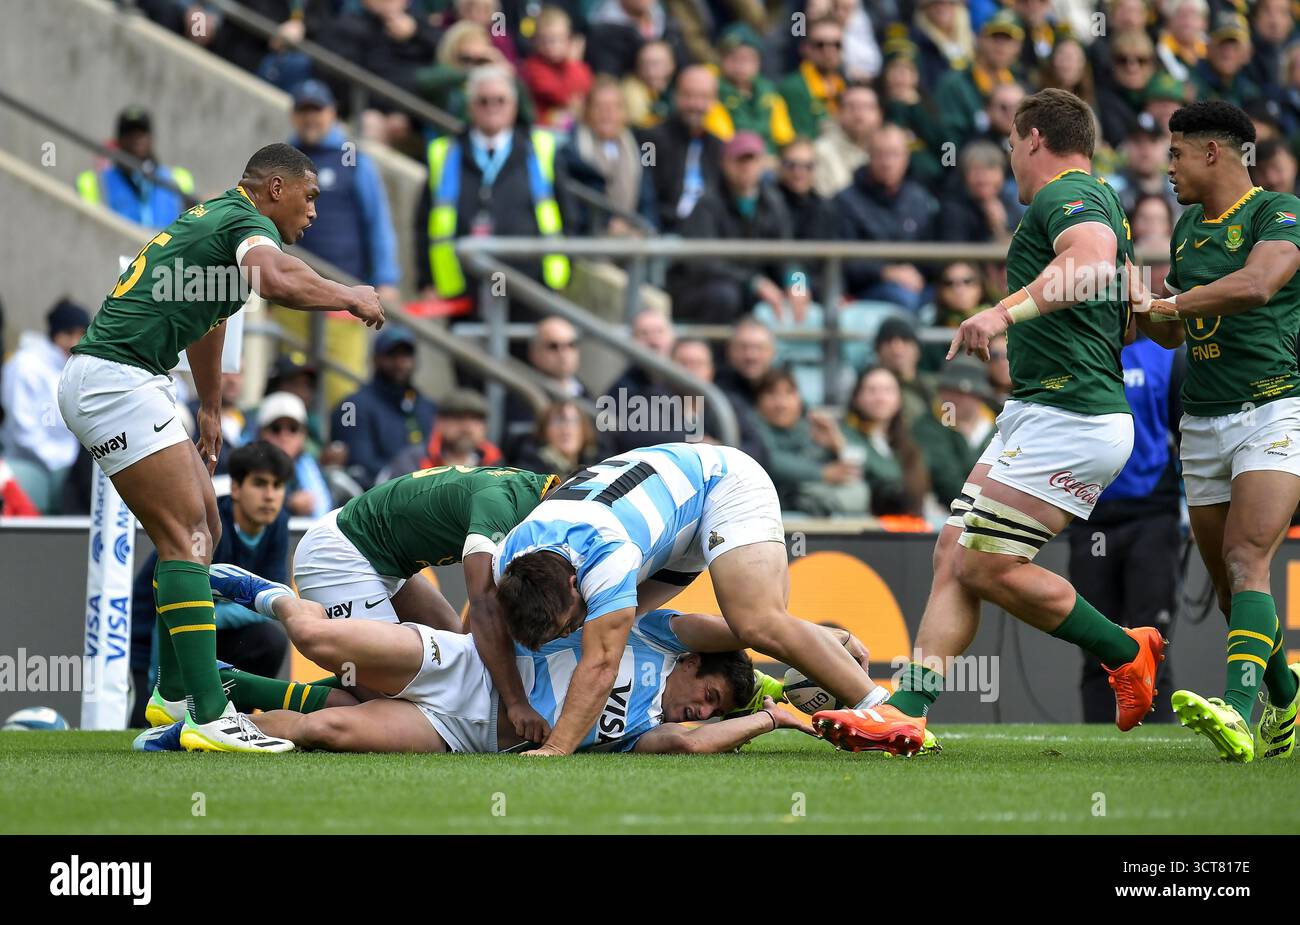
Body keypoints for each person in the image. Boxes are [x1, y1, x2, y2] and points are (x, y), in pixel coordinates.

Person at [815, 89, 1165, 754]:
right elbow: (1124, 289)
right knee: (955, 553)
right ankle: (908, 709)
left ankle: (1126, 651)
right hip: (1042, 409)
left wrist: (1001, 313)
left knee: (981, 564)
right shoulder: (1106, 200)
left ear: (1033, 138)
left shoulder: (1066, 195)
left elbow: (1089, 264)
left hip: (1072, 414)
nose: (1009, 156)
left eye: (1010, 142)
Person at [56, 142, 384, 753]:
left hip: (129, 379)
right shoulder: (244, 222)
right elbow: (281, 282)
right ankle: (207, 713)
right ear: (275, 188)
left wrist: (209, 404)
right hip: (114, 379)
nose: (313, 213)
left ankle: (174, 695)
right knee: (190, 535)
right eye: (309, 197)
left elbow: (209, 317)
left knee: (205, 523)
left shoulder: (218, 224)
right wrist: (348, 294)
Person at [484, 441, 897, 756]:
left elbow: (601, 664)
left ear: (574, 582)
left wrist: (557, 749)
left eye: (570, 617)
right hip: (666, 522)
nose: (574, 624)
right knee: (624, 632)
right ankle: (815, 652)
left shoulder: (607, 558)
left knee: (754, 621)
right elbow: (488, 622)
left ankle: (886, 712)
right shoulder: (510, 560)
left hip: (723, 483)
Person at [197, 570, 807, 755]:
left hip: (470, 733)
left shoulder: (651, 731)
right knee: (320, 645)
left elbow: (693, 747)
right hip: (464, 667)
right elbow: (751, 624)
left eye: (714, 713)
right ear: (695, 662)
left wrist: (774, 718)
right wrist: (819, 640)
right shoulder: (658, 632)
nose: (702, 712)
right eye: (709, 697)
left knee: (327, 730)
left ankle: (193, 732)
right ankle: (268, 595)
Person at [1141, 101, 1300, 761]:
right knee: (1235, 589)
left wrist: (1171, 301)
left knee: (1246, 557)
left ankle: (1237, 710)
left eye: (1176, 153)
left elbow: (1260, 285)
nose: (1166, 165)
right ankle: (1288, 697)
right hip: (1201, 422)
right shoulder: (1185, 229)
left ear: (1213, 153)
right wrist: (1139, 308)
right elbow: (1174, 328)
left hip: (1273, 409)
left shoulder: (1279, 211)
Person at [292, 463, 559, 737]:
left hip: (380, 554)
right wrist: (516, 703)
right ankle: (265, 692)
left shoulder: (535, 496)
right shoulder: (500, 504)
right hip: (338, 553)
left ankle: (321, 691)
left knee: (456, 658)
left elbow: (477, 619)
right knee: (387, 705)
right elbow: (483, 605)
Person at [128, 441, 294, 728]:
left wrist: (211, 617)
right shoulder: (205, 525)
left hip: (210, 631)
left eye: (278, 486)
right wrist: (163, 680)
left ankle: (231, 721)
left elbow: (273, 596)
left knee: (269, 641)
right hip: (152, 644)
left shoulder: (277, 525)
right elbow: (172, 610)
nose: (270, 496)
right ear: (236, 488)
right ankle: (177, 700)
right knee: (149, 729)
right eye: (260, 483)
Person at [1067, 334, 1184, 724]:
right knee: (1093, 642)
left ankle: (1157, 743)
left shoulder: (1168, 352)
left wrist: (1191, 504)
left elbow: (1185, 431)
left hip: (1153, 512)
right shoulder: (1080, 345)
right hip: (1089, 514)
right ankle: (1099, 742)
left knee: (1154, 640)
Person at [285, 80, 402, 407]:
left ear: (333, 114)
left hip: (342, 296)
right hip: (289, 293)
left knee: (342, 391)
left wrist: (387, 279)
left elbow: (377, 221)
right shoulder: (282, 161)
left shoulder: (353, 161)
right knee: (290, 386)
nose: (310, 119)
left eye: (317, 110)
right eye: (303, 111)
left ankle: (338, 453)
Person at [667, 132, 802, 326]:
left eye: (752, 160)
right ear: (725, 163)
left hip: (749, 290)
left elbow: (790, 256)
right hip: (704, 292)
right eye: (739, 160)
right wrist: (754, 282)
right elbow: (703, 263)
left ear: (762, 164)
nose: (746, 167)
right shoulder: (707, 204)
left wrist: (798, 285)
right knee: (725, 295)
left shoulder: (774, 203)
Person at [836, 123, 938, 314]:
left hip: (917, 283)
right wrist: (887, 273)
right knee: (904, 298)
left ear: (906, 158)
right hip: (867, 288)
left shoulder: (919, 198)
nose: (887, 162)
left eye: (894, 154)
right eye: (880, 154)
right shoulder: (846, 201)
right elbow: (846, 261)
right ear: (869, 157)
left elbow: (932, 252)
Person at [0, 300, 88, 512]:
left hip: (69, 463)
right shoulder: (25, 365)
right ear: (56, 334)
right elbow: (23, 432)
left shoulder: (78, 368)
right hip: (32, 463)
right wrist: (64, 461)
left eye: (82, 334)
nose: (76, 341)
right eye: (70, 333)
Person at [330, 326, 437, 489]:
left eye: (406, 355)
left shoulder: (427, 406)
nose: (400, 362)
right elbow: (358, 465)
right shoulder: (351, 406)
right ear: (375, 359)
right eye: (392, 354)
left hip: (431, 493)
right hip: (378, 497)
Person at [754, 368, 868, 516]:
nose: (781, 404)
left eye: (788, 393)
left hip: (822, 504)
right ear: (758, 401)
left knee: (859, 490)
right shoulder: (752, 428)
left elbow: (859, 471)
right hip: (774, 511)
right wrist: (823, 473)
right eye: (771, 394)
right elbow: (769, 460)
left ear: (799, 399)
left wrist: (837, 443)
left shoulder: (812, 428)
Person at [637, 66, 724, 232]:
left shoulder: (718, 147)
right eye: (688, 95)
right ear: (676, 96)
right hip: (663, 231)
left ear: (714, 101)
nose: (696, 104)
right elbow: (645, 191)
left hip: (709, 235)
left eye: (703, 97)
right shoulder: (650, 141)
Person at [76, 107, 194, 228]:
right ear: (118, 140)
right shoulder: (94, 181)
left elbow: (195, 223)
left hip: (167, 247)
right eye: (129, 133)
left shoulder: (178, 178)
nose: (136, 139)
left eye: (141, 132)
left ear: (151, 138)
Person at [839, 366, 930, 518]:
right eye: (872, 390)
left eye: (888, 390)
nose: (880, 398)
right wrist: (838, 443)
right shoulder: (842, 434)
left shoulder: (910, 441)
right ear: (856, 397)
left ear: (899, 398)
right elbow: (890, 478)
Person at [502, 316, 593, 458]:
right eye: (553, 346)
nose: (564, 353)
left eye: (571, 345)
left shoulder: (585, 393)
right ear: (534, 353)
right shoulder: (521, 396)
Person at [932, 10, 1023, 150]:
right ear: (980, 39)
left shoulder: (1021, 83)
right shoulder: (954, 85)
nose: (1001, 45)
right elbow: (947, 141)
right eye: (994, 36)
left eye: (1008, 39)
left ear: (1018, 47)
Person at [707, 24, 795, 154]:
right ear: (721, 58)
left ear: (758, 62)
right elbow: (723, 137)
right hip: (733, 158)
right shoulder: (711, 87)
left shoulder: (768, 92)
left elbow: (785, 137)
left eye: (748, 59)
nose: (740, 65)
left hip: (770, 160)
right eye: (734, 57)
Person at [381, 388, 504, 479]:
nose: (467, 427)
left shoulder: (495, 464)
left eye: (476, 420)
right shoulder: (412, 462)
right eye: (458, 418)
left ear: (485, 427)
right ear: (438, 422)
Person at [257, 391, 331, 517]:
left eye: (293, 429)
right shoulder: (250, 467)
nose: (284, 436)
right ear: (261, 433)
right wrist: (288, 504)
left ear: (303, 435)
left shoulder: (313, 467)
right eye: (276, 428)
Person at [519, 6, 594, 130]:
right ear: (535, 41)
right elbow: (560, 94)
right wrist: (573, 64)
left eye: (558, 39)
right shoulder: (532, 67)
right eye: (545, 39)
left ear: (569, 39)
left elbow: (586, 89)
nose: (551, 45)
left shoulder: (579, 67)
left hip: (575, 129)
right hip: (544, 130)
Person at [778, 17, 847, 141]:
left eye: (837, 45)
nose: (829, 51)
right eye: (820, 45)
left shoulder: (845, 84)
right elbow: (803, 136)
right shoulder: (793, 88)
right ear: (804, 48)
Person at [812, 82, 882, 199]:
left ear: (879, 115)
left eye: (867, 107)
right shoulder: (821, 151)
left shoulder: (888, 151)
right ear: (838, 114)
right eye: (851, 107)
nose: (859, 115)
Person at [512, 400, 604, 478]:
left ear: (584, 430)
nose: (566, 427)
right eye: (558, 421)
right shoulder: (529, 474)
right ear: (544, 431)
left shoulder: (598, 466)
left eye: (573, 421)